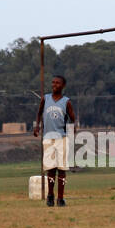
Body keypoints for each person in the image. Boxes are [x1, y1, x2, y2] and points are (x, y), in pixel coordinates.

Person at [34, 75, 77, 207]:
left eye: (57, 83)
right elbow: (39, 112)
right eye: (53, 82)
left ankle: (60, 198)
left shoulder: (66, 101)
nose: (54, 85)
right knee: (50, 169)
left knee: (61, 169)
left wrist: (73, 130)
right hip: (48, 138)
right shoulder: (45, 99)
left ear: (63, 86)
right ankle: (50, 196)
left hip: (61, 138)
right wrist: (37, 126)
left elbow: (73, 119)